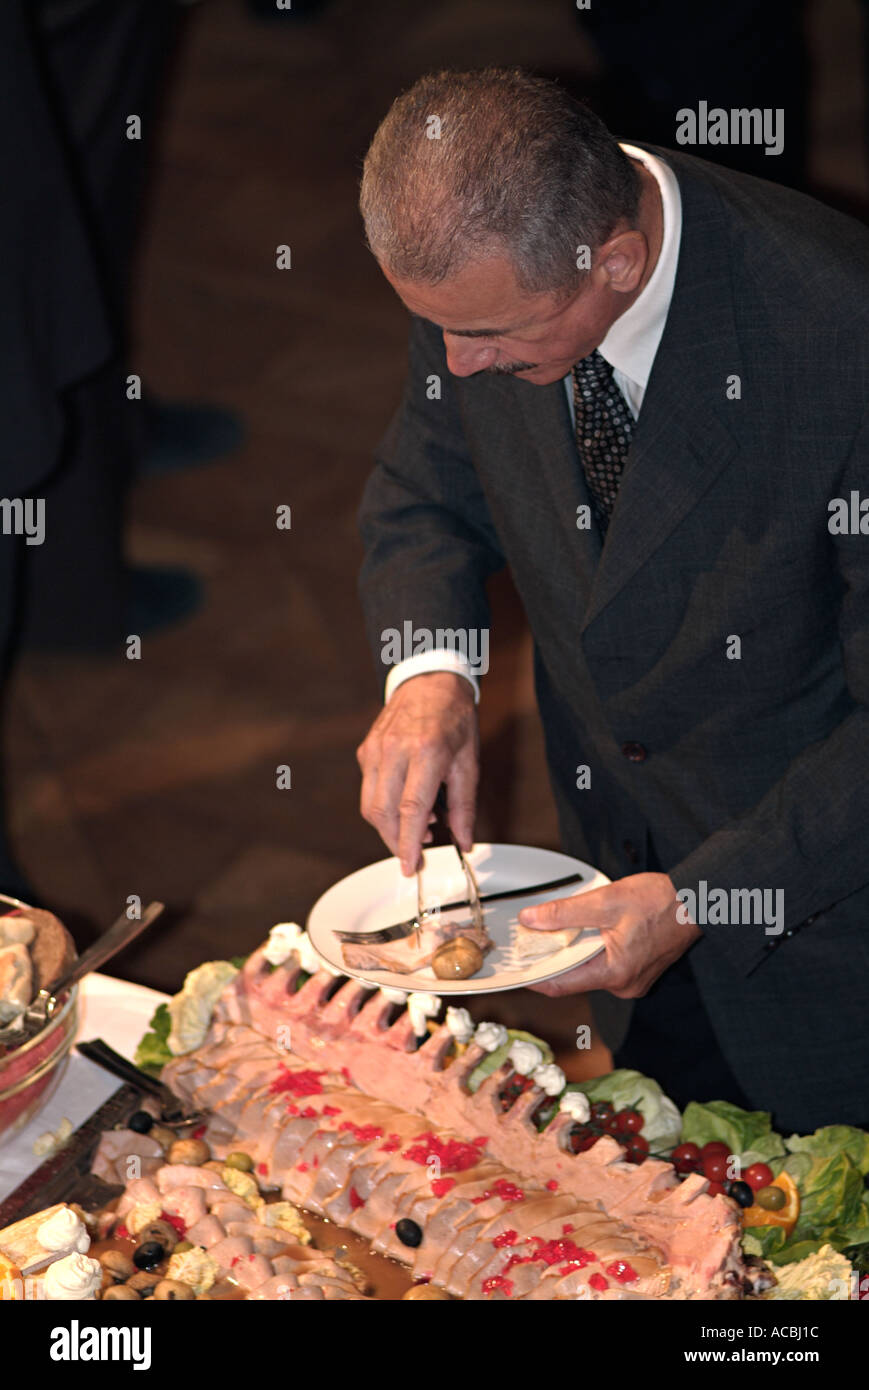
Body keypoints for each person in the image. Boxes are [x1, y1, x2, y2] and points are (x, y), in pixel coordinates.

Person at [354, 69, 869, 1134]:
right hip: (612, 873)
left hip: (820, 923)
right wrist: (431, 673)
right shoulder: (473, 273)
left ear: (617, 261)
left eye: (491, 338)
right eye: (438, 331)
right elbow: (425, 492)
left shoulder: (838, 340)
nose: (459, 362)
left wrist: (697, 900)